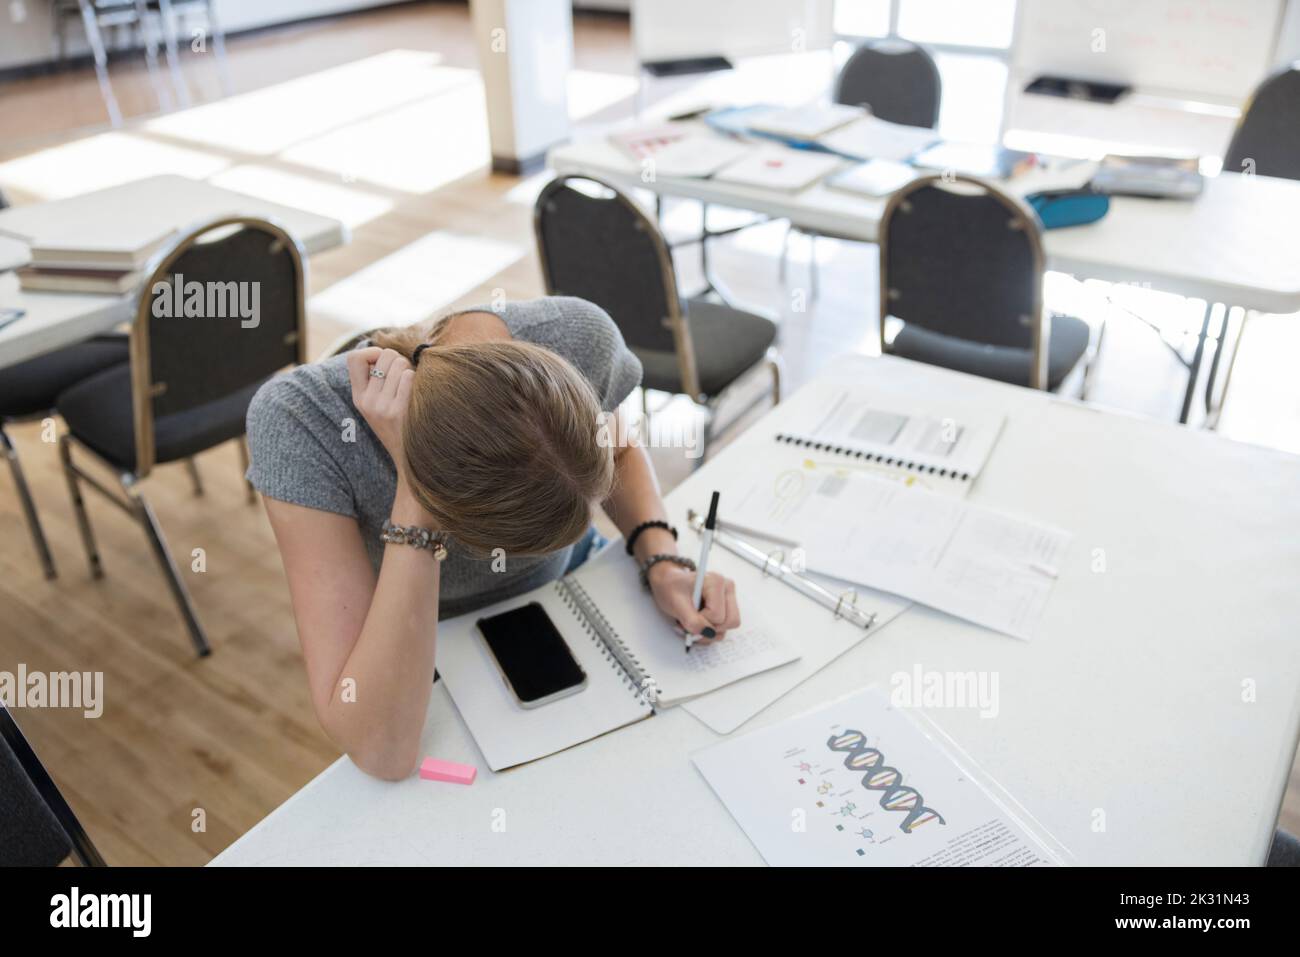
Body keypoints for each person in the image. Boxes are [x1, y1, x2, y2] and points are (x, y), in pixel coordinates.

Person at [245, 297, 741, 779]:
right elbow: (383, 751)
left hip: (571, 589)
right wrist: (414, 488)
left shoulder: (579, 337)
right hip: (421, 637)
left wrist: (661, 557)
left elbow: (621, 451)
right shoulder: (298, 421)